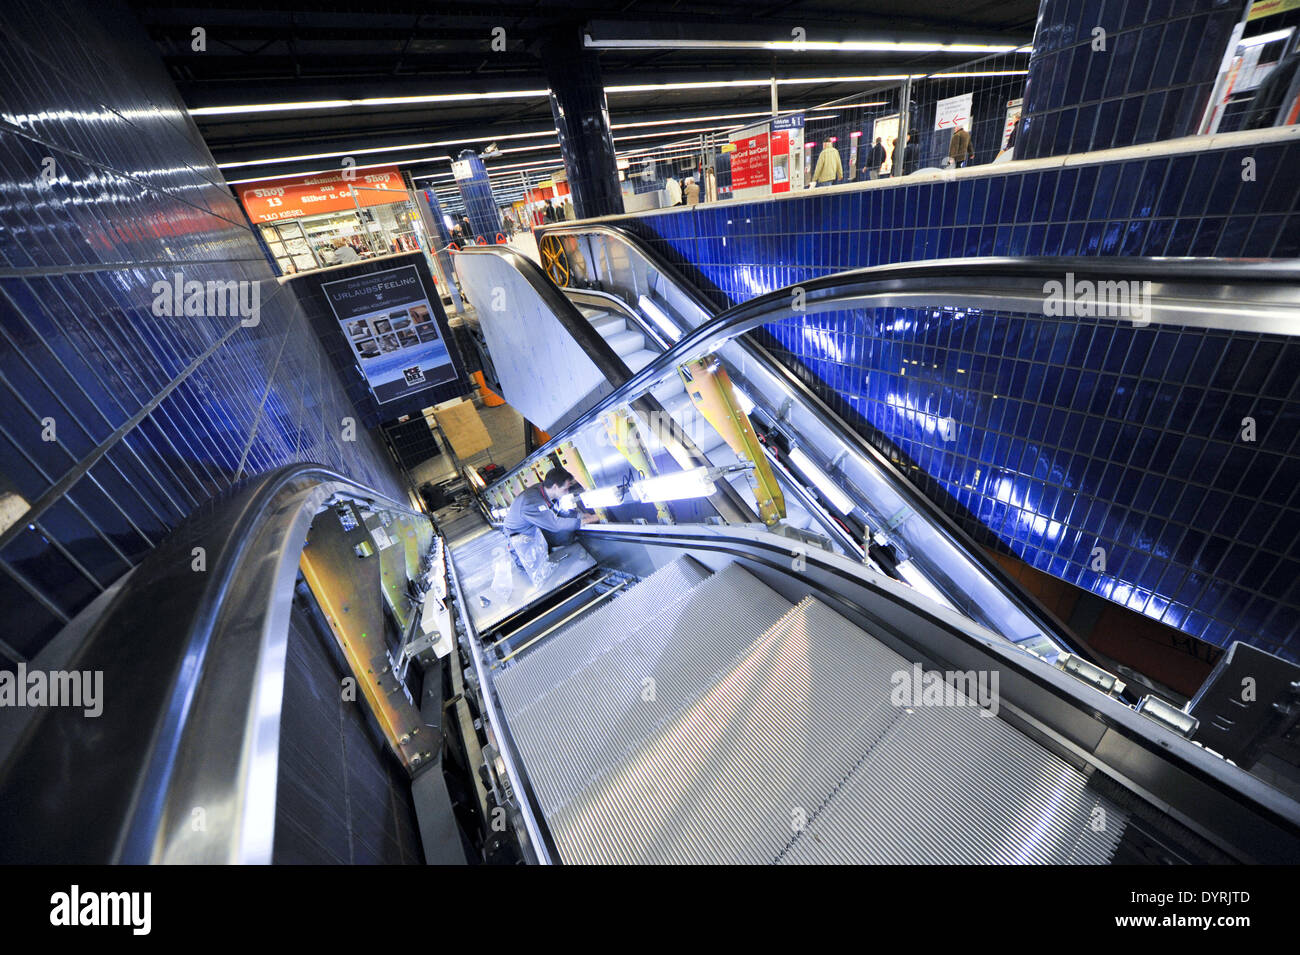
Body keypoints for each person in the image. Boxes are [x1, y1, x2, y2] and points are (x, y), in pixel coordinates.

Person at [502, 467, 598, 565]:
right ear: (555, 487)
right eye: (565, 489)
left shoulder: (545, 491)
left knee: (565, 534)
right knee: (535, 564)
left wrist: (581, 515)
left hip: (534, 527)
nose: (568, 492)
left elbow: (559, 510)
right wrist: (586, 521)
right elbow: (555, 524)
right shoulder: (531, 501)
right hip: (521, 536)